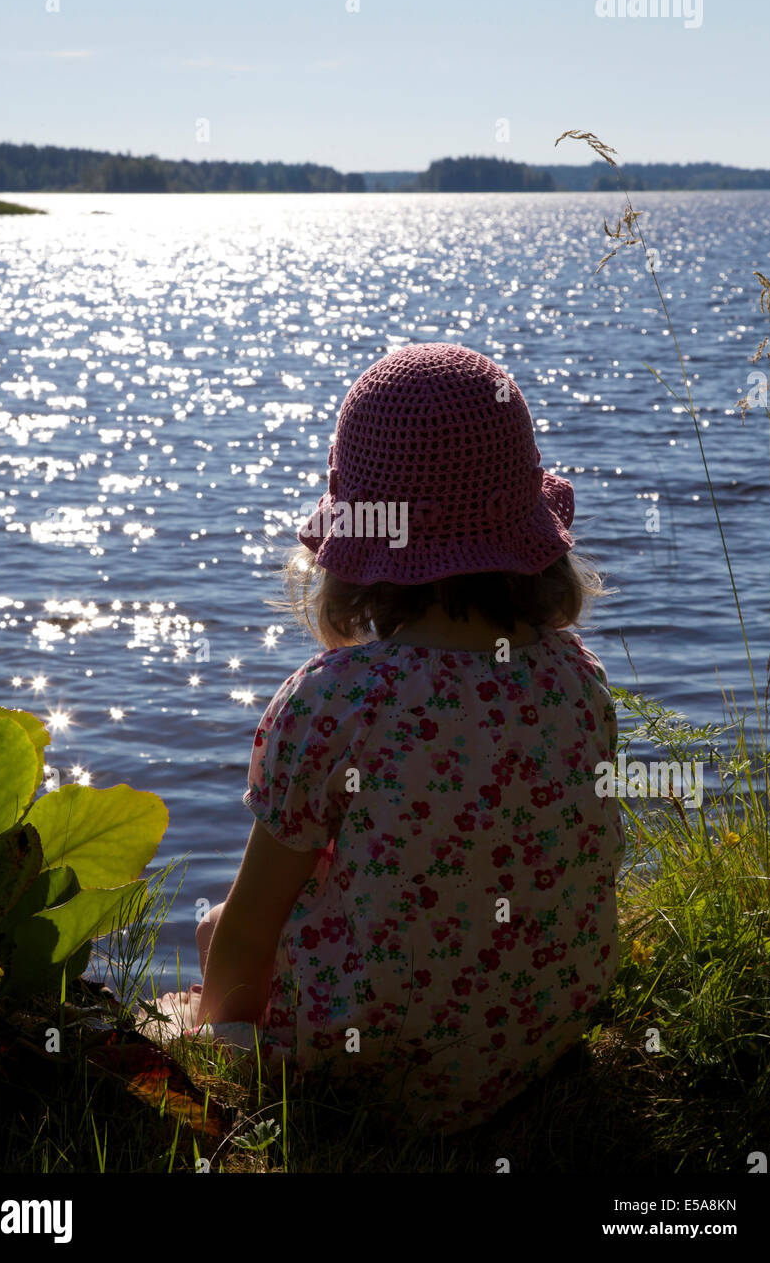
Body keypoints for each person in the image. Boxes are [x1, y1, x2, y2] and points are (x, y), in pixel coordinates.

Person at [181, 342, 624, 1136]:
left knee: (214, 926)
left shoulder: (335, 703)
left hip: (377, 1074)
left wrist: (220, 1041)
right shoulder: (576, 677)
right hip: (540, 1032)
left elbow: (249, 937)